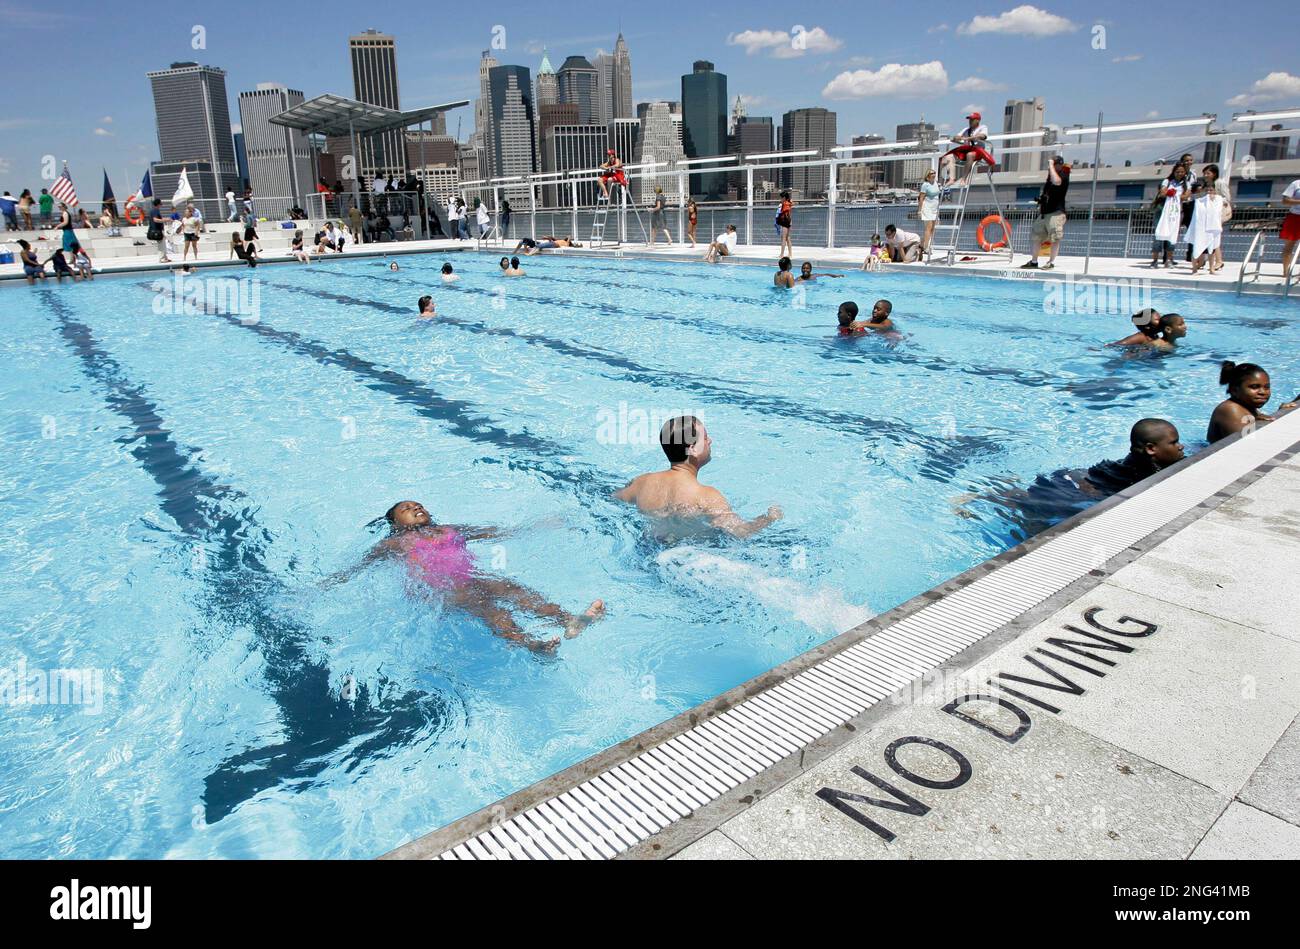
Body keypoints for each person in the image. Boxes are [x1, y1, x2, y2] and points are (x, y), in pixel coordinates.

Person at [329, 501, 604, 653]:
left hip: (471, 580)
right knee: (490, 608)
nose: (417, 508)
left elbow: (500, 532)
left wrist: (540, 525)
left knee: (513, 588)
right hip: (441, 593)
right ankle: (532, 645)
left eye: (419, 504)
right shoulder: (395, 544)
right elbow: (356, 569)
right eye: (407, 508)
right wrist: (319, 589)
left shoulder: (449, 529)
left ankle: (569, 620)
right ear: (395, 523)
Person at [956, 419, 1186, 540]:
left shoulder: (1144, 465)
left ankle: (1001, 488)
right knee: (1036, 519)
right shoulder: (1144, 470)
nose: (1180, 446)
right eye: (1174, 442)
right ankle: (988, 495)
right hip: (1074, 486)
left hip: (1082, 481)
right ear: (1151, 449)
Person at [614, 416, 783, 539]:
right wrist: (769, 518)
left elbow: (614, 499)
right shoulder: (707, 495)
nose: (710, 441)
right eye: (705, 437)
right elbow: (740, 532)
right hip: (687, 555)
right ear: (692, 449)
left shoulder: (642, 482)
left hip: (649, 546)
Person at [1021, 155, 1071, 270]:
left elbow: (1057, 181)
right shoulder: (1050, 177)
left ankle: (1051, 262)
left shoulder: (1064, 174)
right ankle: (1034, 261)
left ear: (1058, 165)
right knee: (1036, 236)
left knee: (1055, 237)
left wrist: (1051, 165)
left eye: (1053, 165)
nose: (1049, 168)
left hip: (1056, 213)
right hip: (1044, 213)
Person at [1208, 362, 1275, 443]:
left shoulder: (1247, 405)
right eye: (1254, 387)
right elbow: (1247, 446)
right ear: (1235, 390)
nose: (1263, 392)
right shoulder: (1231, 409)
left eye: (1267, 387)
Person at [1188, 165, 1227, 276]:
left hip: (1215, 215)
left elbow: (1226, 197)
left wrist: (1216, 198)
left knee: (1214, 240)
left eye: (1208, 173)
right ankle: (1201, 262)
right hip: (1204, 216)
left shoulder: (1220, 183)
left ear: (1214, 173)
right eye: (1204, 173)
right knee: (1204, 240)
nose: (1205, 175)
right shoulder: (1206, 184)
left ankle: (1218, 262)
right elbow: (1200, 198)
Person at [940, 111, 996, 186]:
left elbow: (982, 136)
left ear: (978, 121)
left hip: (978, 152)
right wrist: (957, 138)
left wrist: (968, 138)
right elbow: (956, 137)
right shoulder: (966, 129)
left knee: (970, 155)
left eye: (972, 120)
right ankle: (951, 179)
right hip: (966, 151)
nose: (970, 121)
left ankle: (964, 179)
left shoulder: (983, 127)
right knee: (948, 157)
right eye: (970, 120)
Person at [1150, 162, 1189, 268]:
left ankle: (1169, 259)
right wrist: (1169, 193)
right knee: (1158, 234)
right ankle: (1154, 260)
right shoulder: (1167, 181)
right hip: (1162, 210)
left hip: (1175, 212)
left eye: (1182, 172)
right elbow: (1162, 192)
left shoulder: (1186, 184)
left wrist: (1176, 196)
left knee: (1172, 235)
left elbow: (1186, 195)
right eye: (1177, 172)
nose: (1179, 173)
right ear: (1174, 172)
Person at [918, 169, 941, 254]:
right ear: (928, 176)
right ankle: (926, 248)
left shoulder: (936, 183)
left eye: (934, 173)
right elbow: (921, 198)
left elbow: (937, 198)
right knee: (928, 228)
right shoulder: (925, 185)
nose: (934, 174)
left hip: (934, 208)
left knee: (933, 229)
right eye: (932, 173)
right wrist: (919, 211)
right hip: (927, 207)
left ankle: (923, 244)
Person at [1281, 176, 1300, 278]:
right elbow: (1285, 200)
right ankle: (1286, 272)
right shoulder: (1296, 184)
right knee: (1289, 246)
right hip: (1294, 217)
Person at [148, 199, 171, 263]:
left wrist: (165, 219)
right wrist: (165, 220)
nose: (161, 205)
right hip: (157, 230)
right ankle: (161, 258)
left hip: (158, 229)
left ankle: (165, 257)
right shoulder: (155, 210)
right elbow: (155, 220)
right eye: (160, 204)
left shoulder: (153, 211)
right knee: (161, 244)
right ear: (158, 204)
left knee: (163, 243)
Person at [776, 191, 794, 260]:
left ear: (784, 197)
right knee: (788, 238)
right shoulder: (789, 203)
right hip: (788, 221)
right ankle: (790, 254)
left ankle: (781, 254)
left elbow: (785, 213)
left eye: (781, 198)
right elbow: (789, 213)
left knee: (783, 238)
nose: (780, 199)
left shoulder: (785, 204)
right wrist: (791, 222)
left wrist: (780, 206)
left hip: (785, 221)